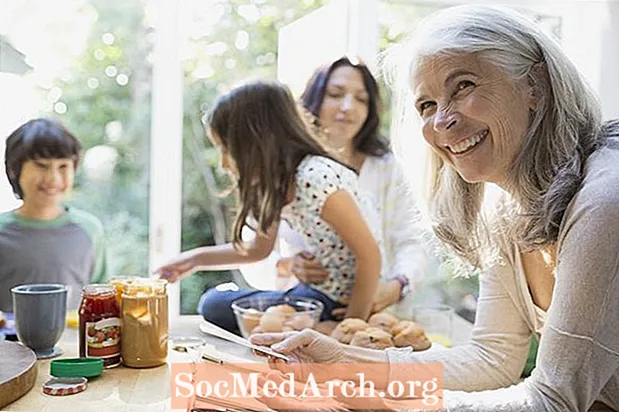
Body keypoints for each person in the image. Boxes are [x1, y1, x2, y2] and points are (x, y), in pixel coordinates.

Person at [251, 5, 619, 411]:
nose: (442, 120)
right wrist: (345, 360)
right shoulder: (506, 208)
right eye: (426, 105)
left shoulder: (604, 201)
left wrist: (385, 404)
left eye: (463, 85)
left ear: (536, 84)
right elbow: (491, 359)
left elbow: (553, 401)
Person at [155, 80, 382, 333]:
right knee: (214, 304)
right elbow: (256, 251)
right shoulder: (278, 184)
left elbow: (370, 256)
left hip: (337, 302)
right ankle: (313, 327)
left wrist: (351, 326)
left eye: (225, 149)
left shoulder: (315, 178)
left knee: (215, 304)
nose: (222, 163)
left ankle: (325, 328)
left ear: (256, 141)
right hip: (312, 295)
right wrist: (193, 259)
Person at [239, 56, 428, 318]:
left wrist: (396, 286)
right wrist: (288, 266)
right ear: (313, 100)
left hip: (379, 313)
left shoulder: (387, 168)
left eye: (361, 99)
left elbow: (411, 240)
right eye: (336, 94)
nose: (348, 107)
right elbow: (254, 251)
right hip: (308, 307)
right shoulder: (287, 172)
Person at [0, 118, 108, 311]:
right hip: (8, 341)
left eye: (63, 166)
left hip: (73, 340)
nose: (53, 178)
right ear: (14, 170)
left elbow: (103, 298)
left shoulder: (90, 230)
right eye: (41, 166)